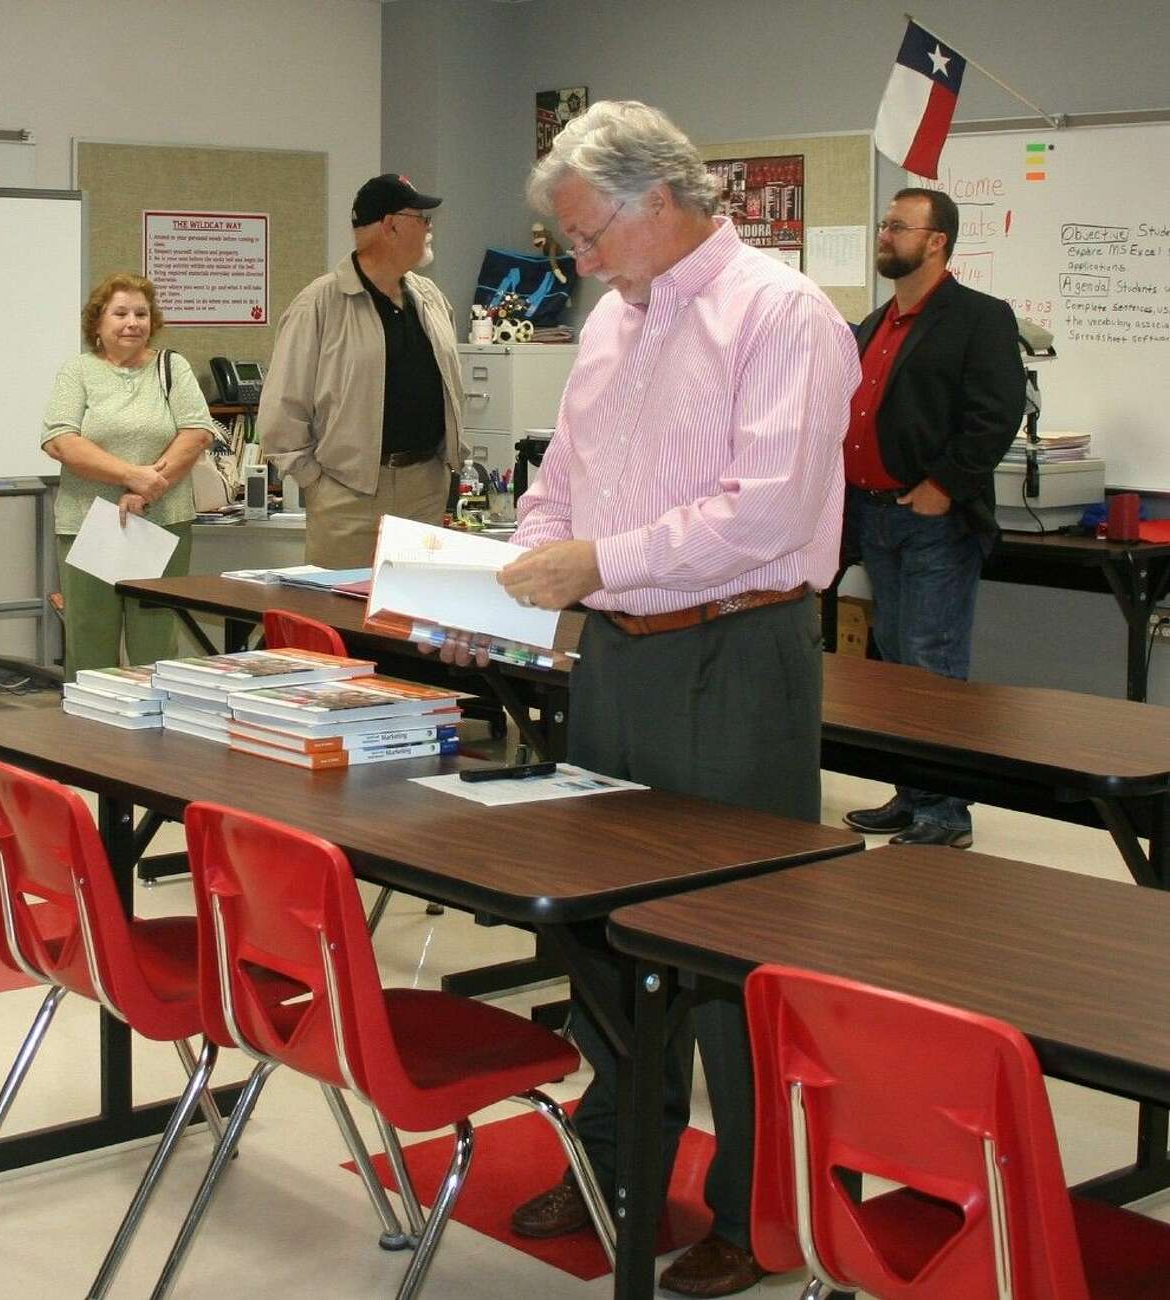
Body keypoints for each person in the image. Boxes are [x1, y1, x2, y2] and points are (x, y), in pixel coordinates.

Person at [438, 101, 858, 1298]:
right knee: (607, 933)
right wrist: (525, 564)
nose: (573, 261)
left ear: (653, 202)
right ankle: (619, 1158)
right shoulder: (611, 323)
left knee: (732, 948)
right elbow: (562, 480)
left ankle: (753, 1210)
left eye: (582, 235)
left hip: (735, 654)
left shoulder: (780, 316)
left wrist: (596, 563)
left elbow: (765, 514)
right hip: (615, 653)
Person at [841, 188, 1025, 849]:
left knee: (932, 665)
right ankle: (913, 795)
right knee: (895, 662)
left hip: (933, 522)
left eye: (898, 226)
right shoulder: (876, 323)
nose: (884, 234)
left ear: (937, 240)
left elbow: (995, 415)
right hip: (876, 518)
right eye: (884, 223)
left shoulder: (979, 318)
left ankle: (946, 814)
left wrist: (944, 485)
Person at [259, 173, 464, 569]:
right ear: (391, 226)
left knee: (410, 624)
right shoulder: (319, 304)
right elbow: (281, 412)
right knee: (342, 621)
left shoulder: (430, 298)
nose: (428, 228)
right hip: (347, 499)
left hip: (424, 490)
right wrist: (317, 486)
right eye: (421, 218)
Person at [41, 273, 213, 680]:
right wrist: (133, 476)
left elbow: (196, 432)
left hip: (161, 523)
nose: (132, 322)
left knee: (155, 642)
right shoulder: (78, 372)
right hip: (88, 524)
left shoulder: (173, 367)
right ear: (97, 324)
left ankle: (155, 734)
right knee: (90, 642)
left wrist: (148, 491)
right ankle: (88, 738)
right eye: (120, 313)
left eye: (141, 313)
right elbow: (60, 440)